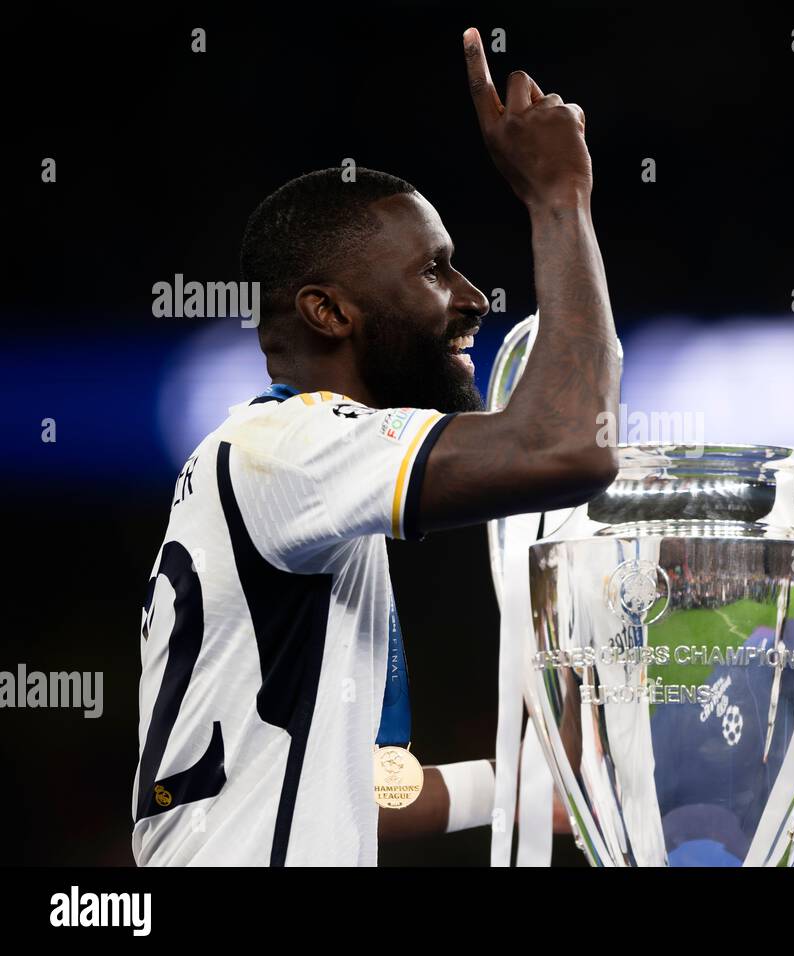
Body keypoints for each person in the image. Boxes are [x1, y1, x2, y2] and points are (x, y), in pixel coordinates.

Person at [132, 27, 619, 865]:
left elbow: (354, 787)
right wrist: (559, 200)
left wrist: (527, 790)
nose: (471, 298)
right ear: (328, 311)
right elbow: (570, 447)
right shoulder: (282, 447)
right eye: (435, 271)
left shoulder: (279, 475)